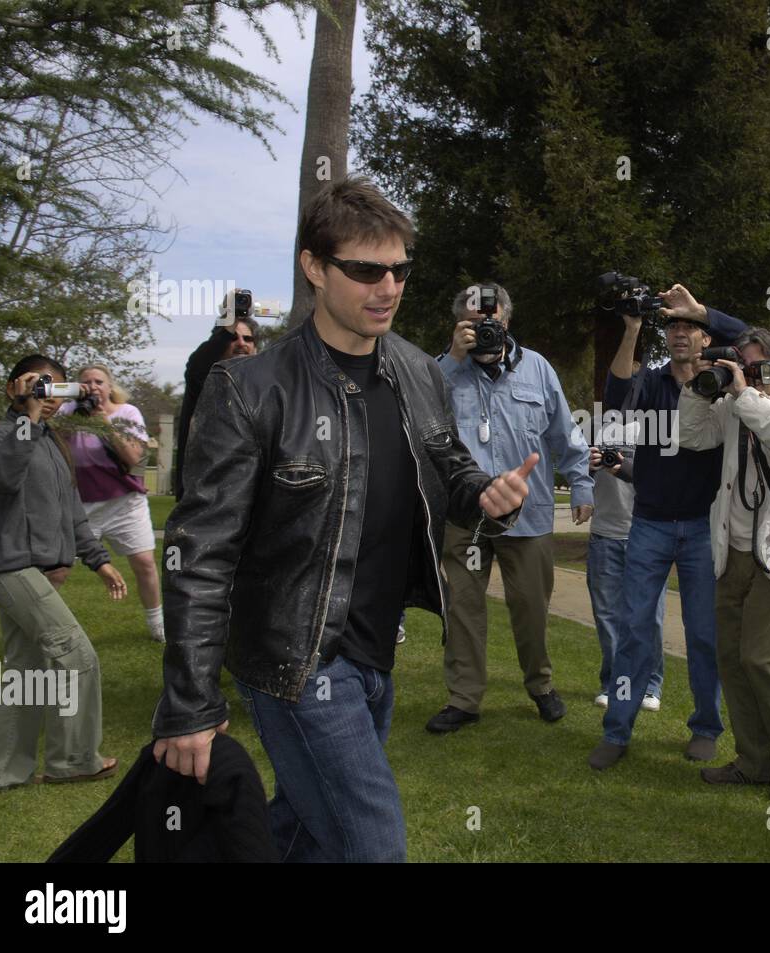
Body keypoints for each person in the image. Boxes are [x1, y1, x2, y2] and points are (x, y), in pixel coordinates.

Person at [151, 176, 536, 862]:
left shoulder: (417, 371)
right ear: (314, 268)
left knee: (304, 830)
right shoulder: (249, 389)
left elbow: (445, 459)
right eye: (365, 270)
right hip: (300, 663)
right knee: (372, 844)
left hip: (375, 654)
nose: (387, 287)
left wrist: (483, 492)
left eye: (399, 269)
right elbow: (199, 552)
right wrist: (189, 702)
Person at [589, 284, 748, 770]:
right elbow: (614, 400)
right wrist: (633, 329)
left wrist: (702, 308)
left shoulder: (721, 384)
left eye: (690, 327)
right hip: (650, 527)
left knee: (703, 633)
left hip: (703, 528)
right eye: (674, 326)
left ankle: (705, 727)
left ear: (705, 339)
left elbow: (754, 338)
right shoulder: (652, 383)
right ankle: (617, 729)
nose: (680, 333)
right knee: (636, 632)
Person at [426, 282, 594, 732]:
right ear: (460, 322)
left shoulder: (537, 368)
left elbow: (565, 432)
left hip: (529, 514)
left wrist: (581, 484)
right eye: (474, 317)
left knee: (532, 608)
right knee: (462, 607)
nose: (485, 325)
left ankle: (540, 685)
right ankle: (463, 699)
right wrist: (452, 360)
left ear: (506, 320)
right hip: (466, 518)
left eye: (492, 317)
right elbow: (418, 419)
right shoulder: (444, 371)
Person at [677, 328, 770, 799]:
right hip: (733, 552)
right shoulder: (734, 407)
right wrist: (697, 389)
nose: (749, 375)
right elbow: (691, 436)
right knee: (731, 659)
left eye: (758, 366)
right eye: (741, 365)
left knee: (762, 658)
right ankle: (753, 760)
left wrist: (744, 393)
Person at [0, 355, 128, 794]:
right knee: (76, 656)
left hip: (34, 570)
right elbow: (3, 477)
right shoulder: (3, 436)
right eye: (39, 386)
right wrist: (27, 416)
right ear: (13, 389)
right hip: (9, 567)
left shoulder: (51, 443)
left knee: (25, 673)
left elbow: (71, 512)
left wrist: (98, 560)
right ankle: (73, 760)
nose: (49, 397)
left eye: (56, 389)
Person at [59, 365, 163, 642]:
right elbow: (55, 447)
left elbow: (133, 458)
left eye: (98, 382)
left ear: (109, 386)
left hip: (125, 502)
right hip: (82, 504)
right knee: (57, 566)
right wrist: (75, 420)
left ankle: (157, 624)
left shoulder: (127, 413)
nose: (93, 387)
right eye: (86, 383)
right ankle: (38, 626)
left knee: (144, 562)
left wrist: (103, 421)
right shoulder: (68, 413)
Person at [586, 410, 666, 711]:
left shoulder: (656, 426)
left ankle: (650, 685)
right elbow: (575, 471)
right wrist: (589, 465)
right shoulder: (593, 425)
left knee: (650, 617)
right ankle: (614, 683)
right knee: (607, 616)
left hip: (646, 533)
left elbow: (662, 478)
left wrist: (624, 466)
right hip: (604, 533)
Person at [174, 310, 259, 500]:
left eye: (248, 339)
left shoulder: (265, 390)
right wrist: (229, 317)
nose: (241, 343)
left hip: (250, 498)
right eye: (232, 338)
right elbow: (201, 361)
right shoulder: (203, 379)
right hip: (204, 496)